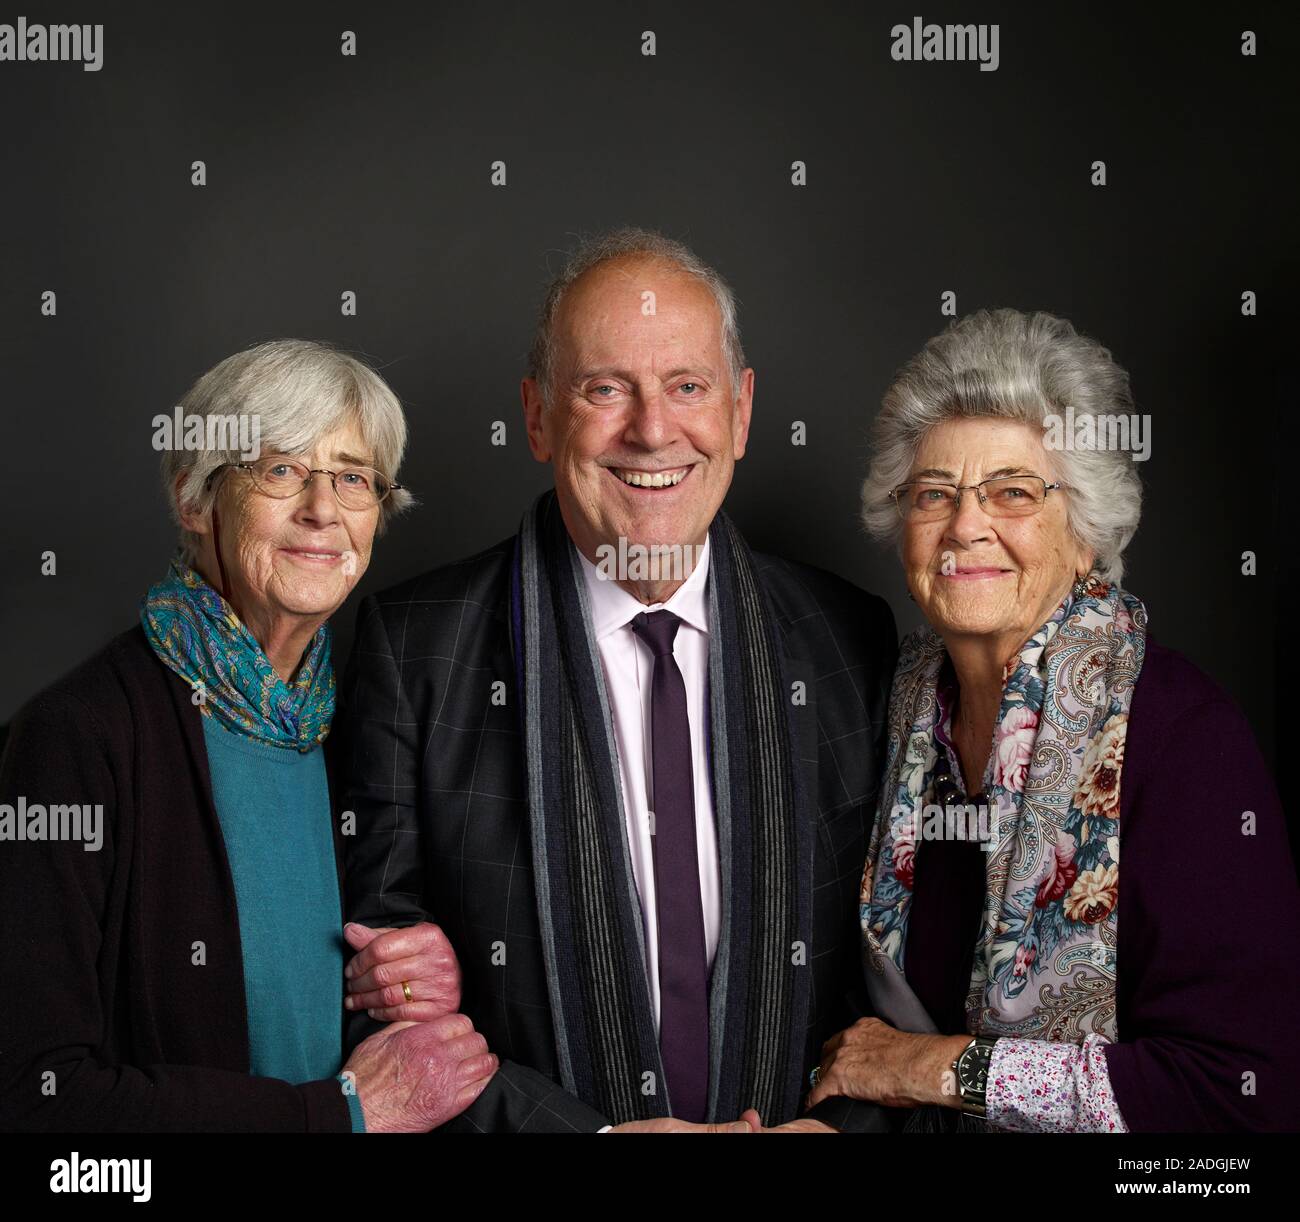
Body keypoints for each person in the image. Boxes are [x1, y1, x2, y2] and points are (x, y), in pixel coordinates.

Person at [336, 229, 899, 1132]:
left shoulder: (846, 639)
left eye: (688, 386)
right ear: (537, 416)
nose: (651, 429)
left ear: (743, 412)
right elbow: (383, 991)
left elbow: (901, 971)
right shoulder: (415, 647)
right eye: (605, 389)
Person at [807, 308, 1300, 1131]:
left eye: (1013, 492)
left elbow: (1241, 1093)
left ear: (1086, 533)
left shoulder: (1183, 740)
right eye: (936, 494)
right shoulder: (893, 708)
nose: (968, 527)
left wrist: (941, 1069)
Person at [0, 339, 496, 1132]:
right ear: (195, 500)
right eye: (280, 471)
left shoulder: (353, 724)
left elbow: (333, 989)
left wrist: (412, 973)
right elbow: (34, 1096)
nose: (323, 509)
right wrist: (337, 1118)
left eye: (353, 478)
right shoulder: (76, 738)